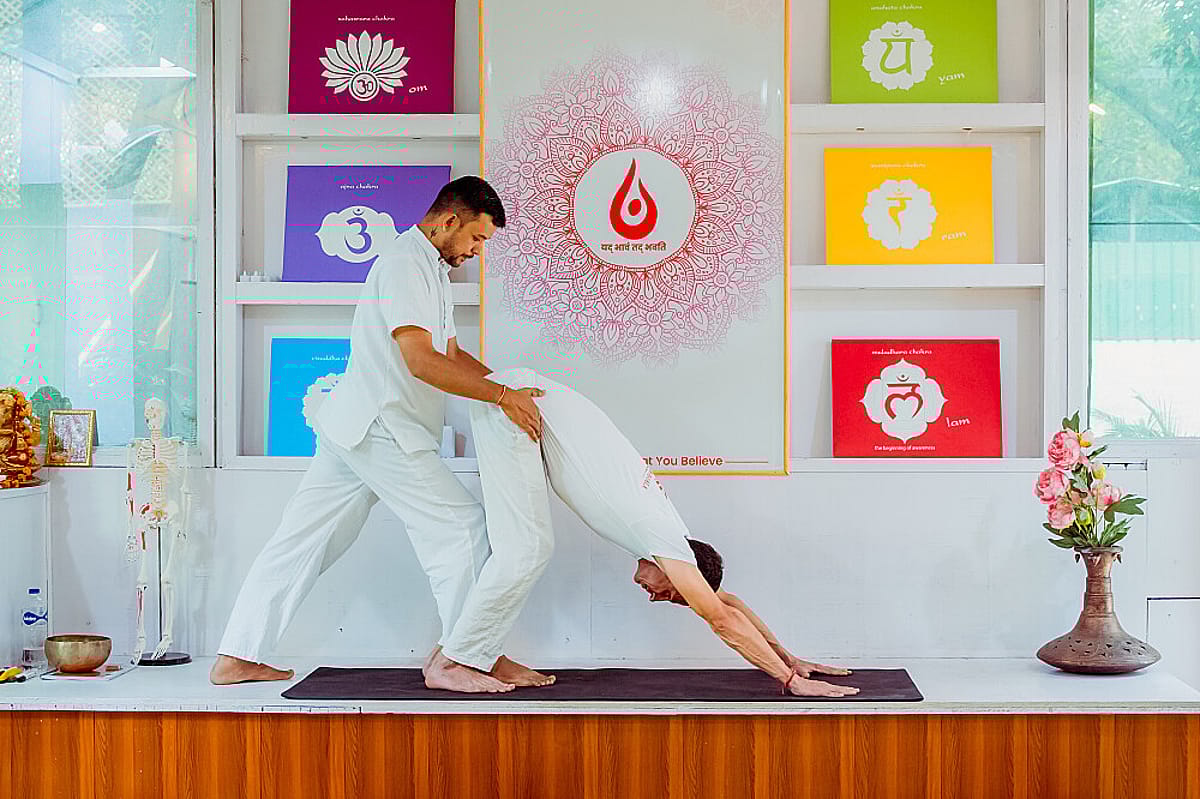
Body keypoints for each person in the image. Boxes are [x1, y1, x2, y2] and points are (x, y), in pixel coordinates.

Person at [210, 177, 545, 693]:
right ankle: (465, 657)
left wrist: (508, 386)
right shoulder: (403, 265)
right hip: (382, 429)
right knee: (459, 527)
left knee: (303, 541)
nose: (477, 252)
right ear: (449, 221)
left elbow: (451, 355)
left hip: (355, 426)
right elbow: (420, 360)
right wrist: (502, 399)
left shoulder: (430, 269)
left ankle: (236, 655)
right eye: (476, 240)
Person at [441, 368, 859, 698]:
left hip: (524, 395)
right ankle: (452, 662)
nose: (657, 597)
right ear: (685, 569)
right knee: (527, 549)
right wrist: (789, 679)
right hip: (515, 401)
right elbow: (721, 618)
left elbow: (726, 602)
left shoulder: (667, 532)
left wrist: (789, 656)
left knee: (526, 548)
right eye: (673, 592)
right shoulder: (662, 537)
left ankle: (480, 654)